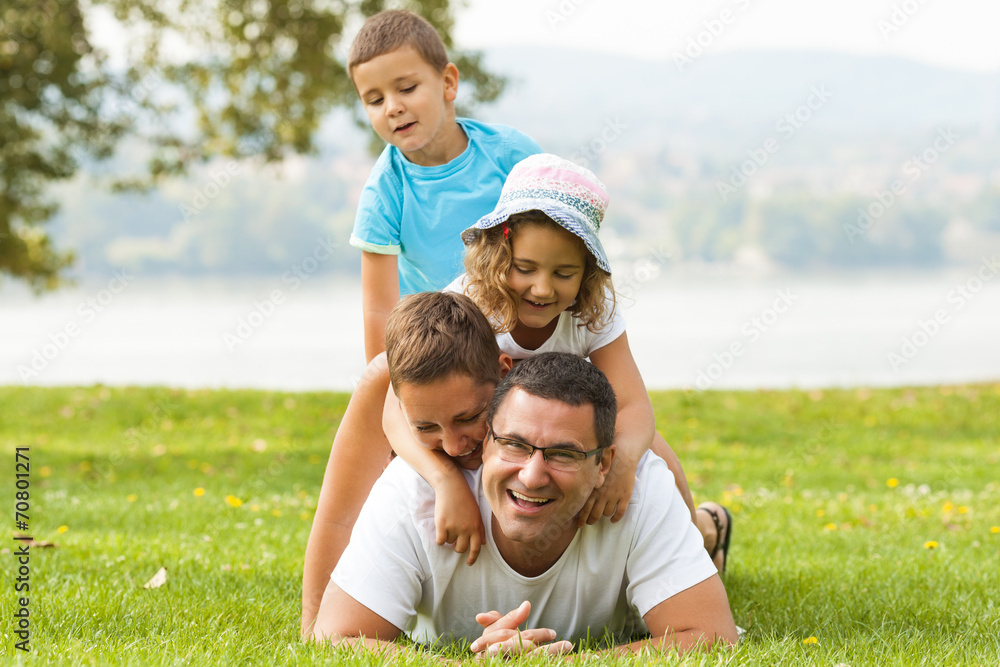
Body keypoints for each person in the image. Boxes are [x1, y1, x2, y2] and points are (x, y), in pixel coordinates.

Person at [385, 153, 732, 573]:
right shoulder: (470, 299)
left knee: (657, 456)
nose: (542, 287)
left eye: (563, 273)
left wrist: (621, 465)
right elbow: (398, 409)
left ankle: (694, 546)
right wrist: (445, 480)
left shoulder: (593, 311)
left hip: (566, 421)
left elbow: (635, 406)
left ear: (586, 272)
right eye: (524, 268)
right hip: (505, 426)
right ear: (498, 255)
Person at [312, 352, 738, 657]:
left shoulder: (639, 486)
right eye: (514, 444)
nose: (532, 476)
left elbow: (711, 635)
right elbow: (334, 638)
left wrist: (565, 663)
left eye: (564, 453)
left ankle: (707, 533)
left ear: (605, 463)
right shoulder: (415, 491)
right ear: (485, 441)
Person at [346, 9, 542, 362]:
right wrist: (388, 394)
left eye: (406, 88)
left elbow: (565, 237)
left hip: (527, 332)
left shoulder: (510, 155)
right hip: (443, 350)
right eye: (374, 100)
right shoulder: (385, 191)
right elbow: (378, 309)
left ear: (448, 83)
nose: (392, 107)